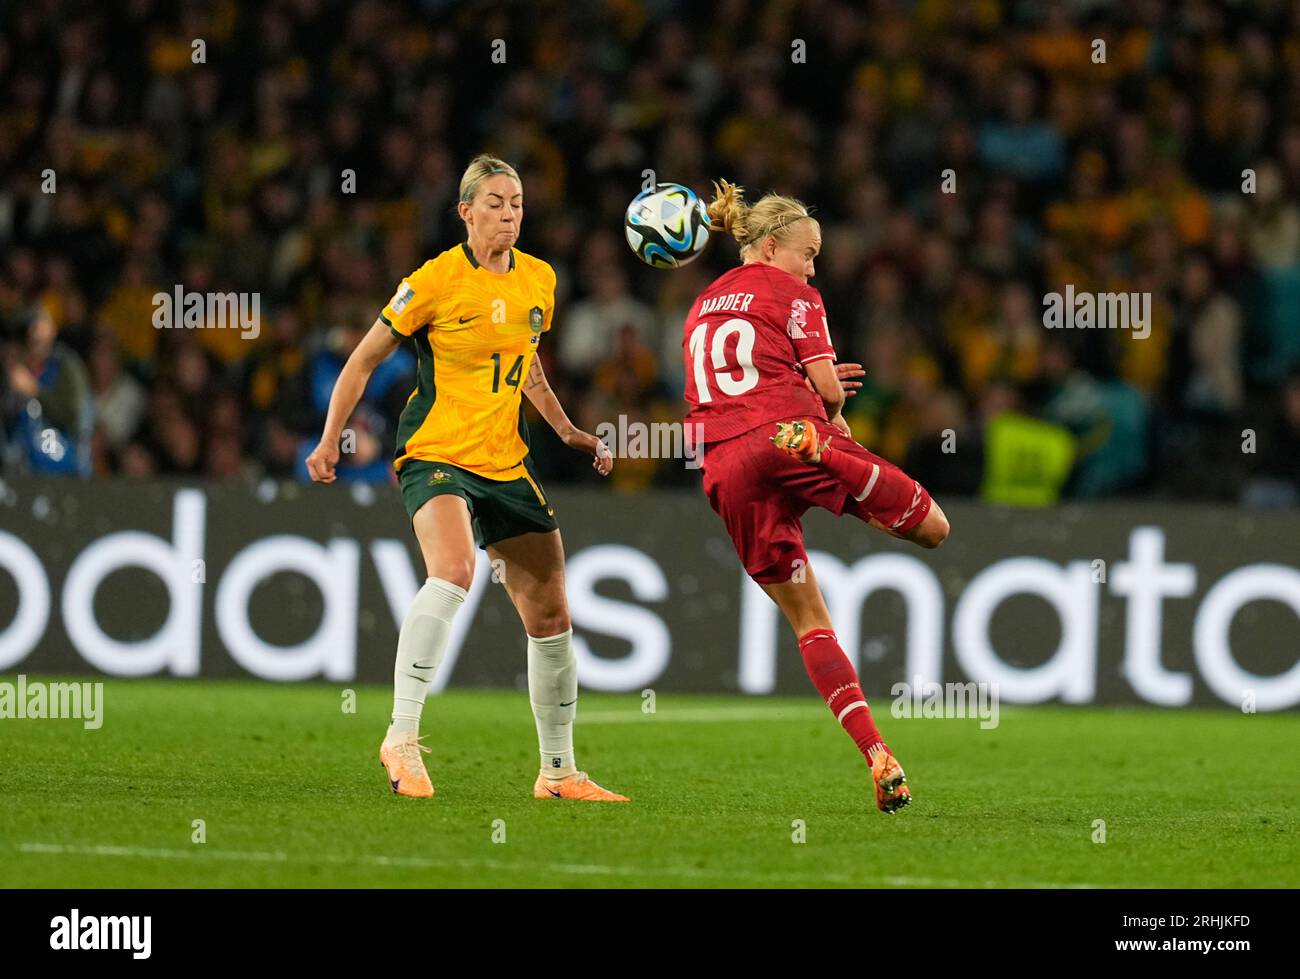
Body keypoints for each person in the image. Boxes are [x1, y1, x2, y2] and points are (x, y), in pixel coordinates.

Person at [306, 155, 627, 802]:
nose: (510, 213)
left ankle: (558, 772)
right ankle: (401, 735)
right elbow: (364, 359)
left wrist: (564, 429)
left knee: (551, 611)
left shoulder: (540, 279)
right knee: (454, 569)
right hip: (437, 452)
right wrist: (328, 438)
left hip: (505, 461)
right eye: (497, 202)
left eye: (517, 203)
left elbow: (526, 363)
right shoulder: (433, 280)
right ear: (466, 211)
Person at [684, 180, 950, 813]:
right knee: (933, 527)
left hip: (724, 463)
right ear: (773, 245)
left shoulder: (700, 305)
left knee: (808, 619)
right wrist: (828, 422)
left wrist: (801, 384)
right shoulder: (795, 292)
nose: (813, 266)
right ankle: (821, 449)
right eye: (809, 252)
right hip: (787, 434)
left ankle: (877, 754)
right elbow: (830, 390)